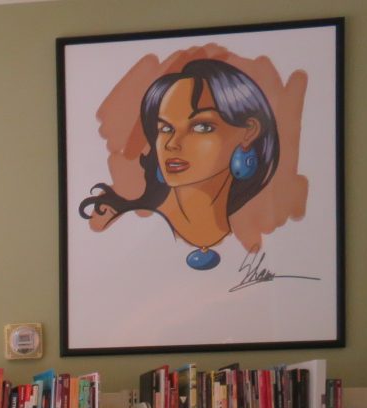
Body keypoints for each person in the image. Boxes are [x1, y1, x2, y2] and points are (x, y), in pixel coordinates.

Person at [79, 58, 279, 271]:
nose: (172, 144)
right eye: (165, 129)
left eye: (201, 127)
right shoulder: (126, 230)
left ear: (249, 132)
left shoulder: (264, 239)